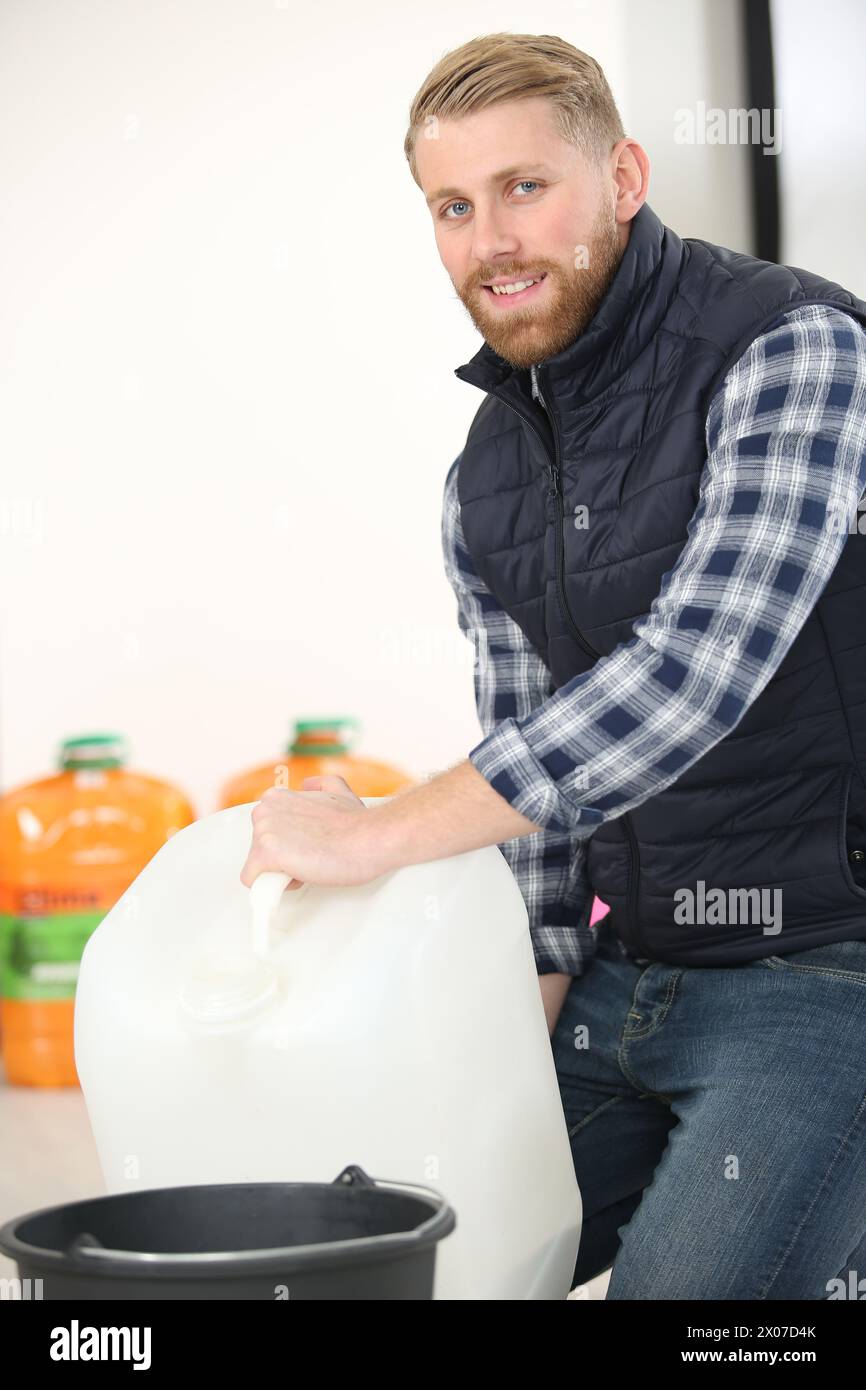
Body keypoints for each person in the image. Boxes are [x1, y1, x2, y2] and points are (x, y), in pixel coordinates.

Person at [241, 32, 866, 1299]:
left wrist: (379, 832)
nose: (490, 242)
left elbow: (692, 675)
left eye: (525, 187)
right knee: (383, 1266)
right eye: (453, 207)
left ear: (624, 177)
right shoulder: (481, 474)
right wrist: (528, 993)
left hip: (826, 974)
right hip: (626, 977)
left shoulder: (794, 349)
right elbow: (535, 752)